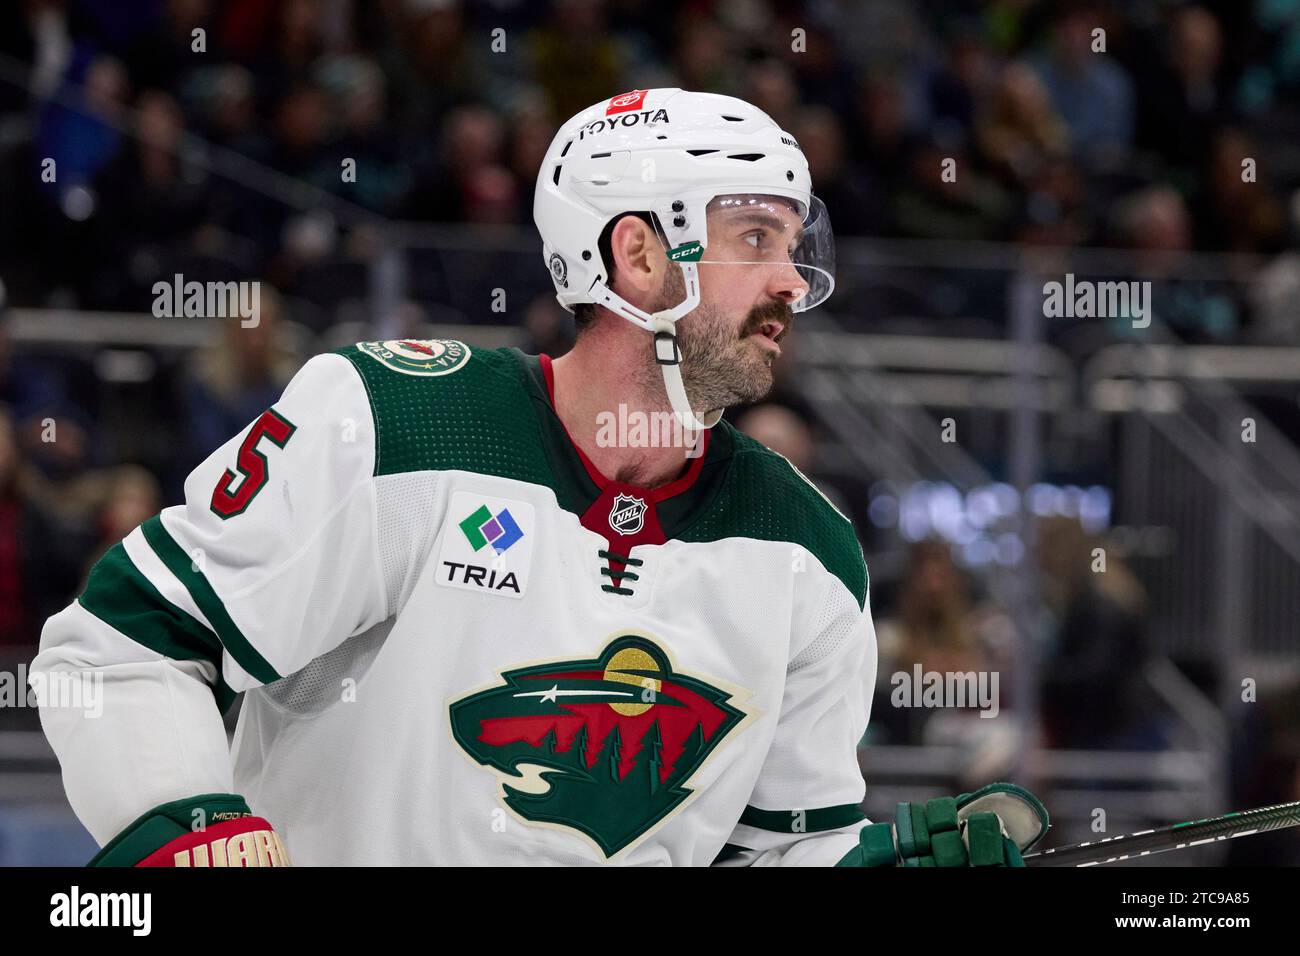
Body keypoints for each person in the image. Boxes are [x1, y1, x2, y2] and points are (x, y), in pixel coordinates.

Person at [32, 89, 1045, 866]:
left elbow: (771, 849)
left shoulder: (809, 553)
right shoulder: (395, 421)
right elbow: (122, 644)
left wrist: (877, 858)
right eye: (754, 239)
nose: (792, 279)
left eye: (794, 243)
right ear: (636, 256)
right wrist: (187, 821)